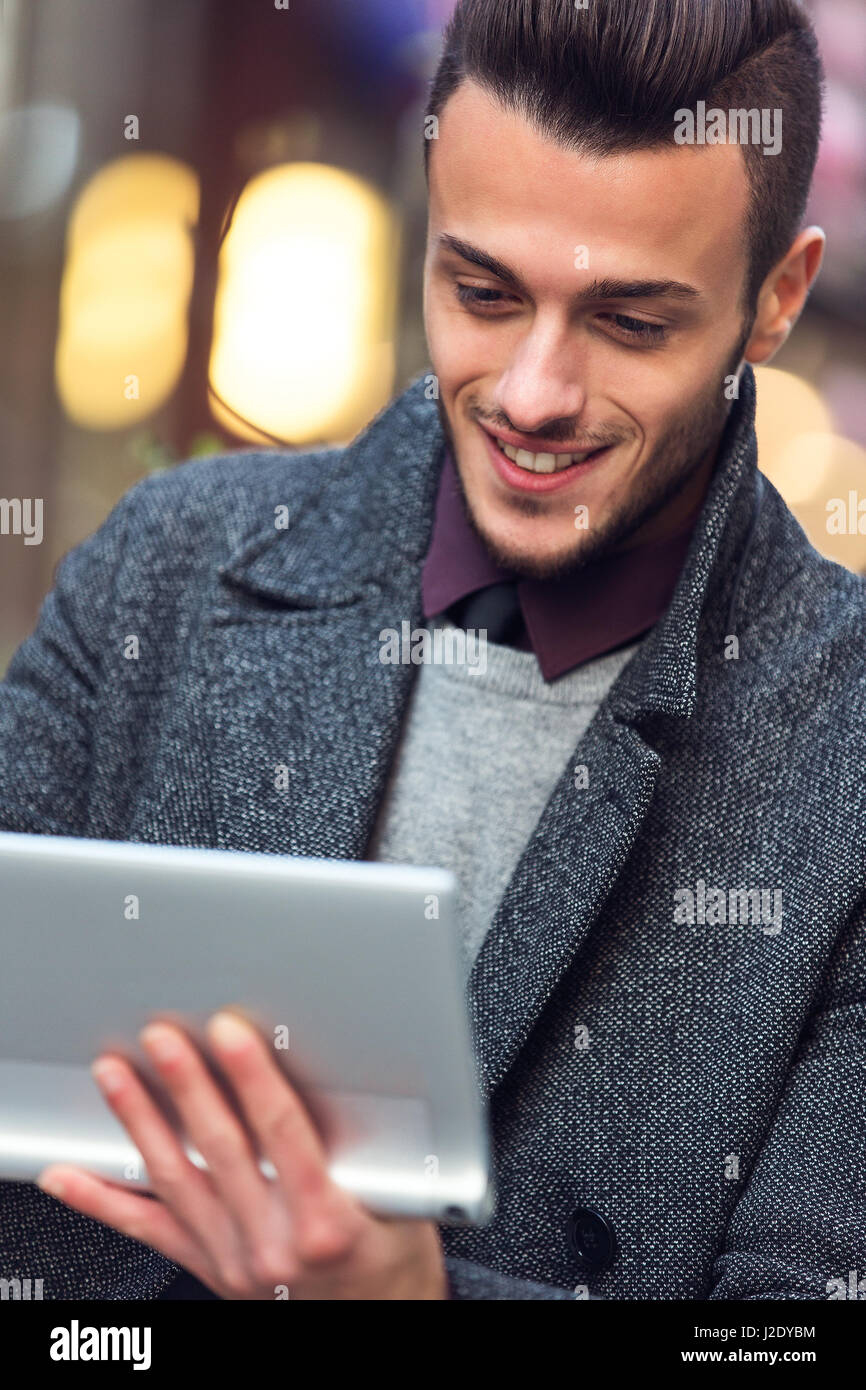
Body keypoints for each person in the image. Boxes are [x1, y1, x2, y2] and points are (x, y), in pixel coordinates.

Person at [2, 0, 864, 1300]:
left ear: (775, 300)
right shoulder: (166, 566)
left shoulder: (844, 740)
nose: (530, 393)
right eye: (483, 292)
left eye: (630, 323)